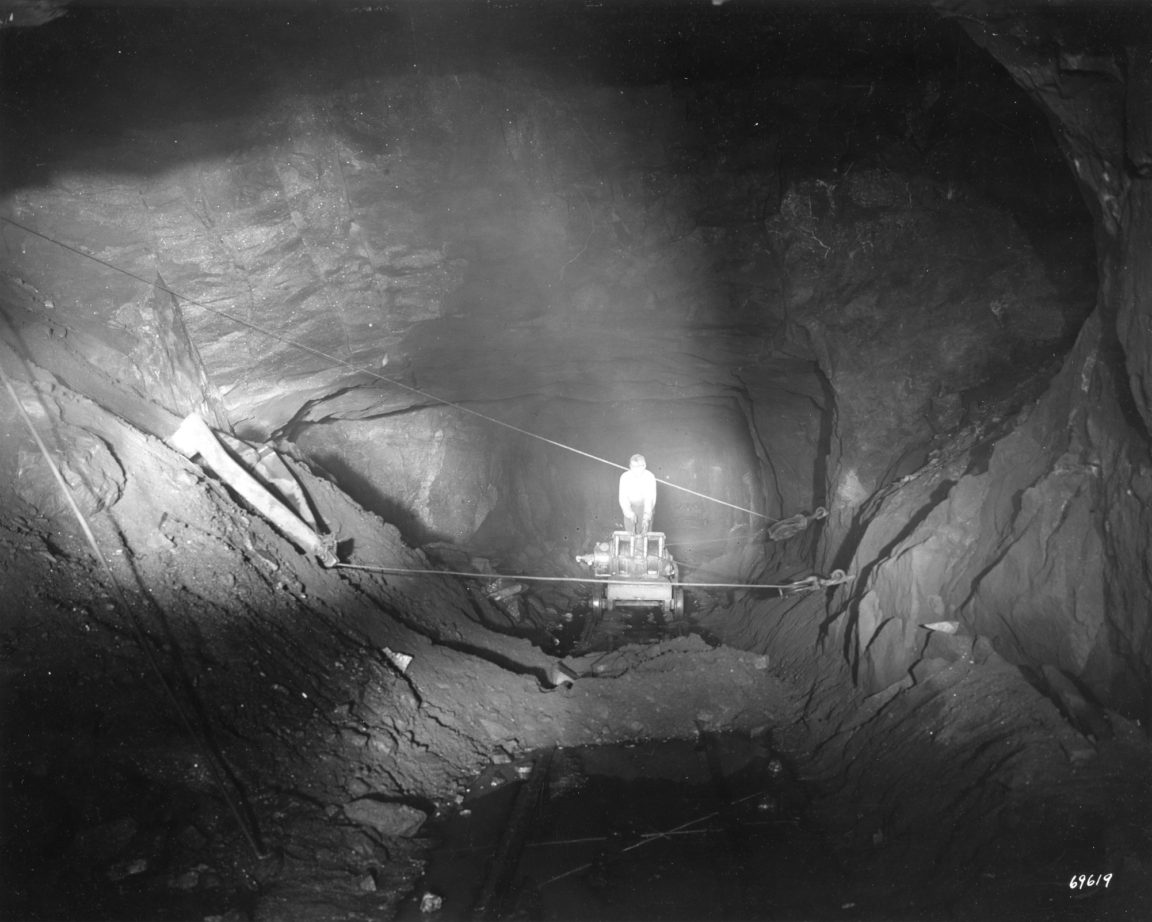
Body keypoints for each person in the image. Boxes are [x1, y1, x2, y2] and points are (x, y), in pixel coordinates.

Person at [618, 453, 657, 535]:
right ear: (629, 466)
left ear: (644, 466)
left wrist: (646, 517)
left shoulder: (650, 477)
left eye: (639, 467)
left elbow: (650, 498)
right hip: (631, 508)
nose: (636, 470)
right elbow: (623, 499)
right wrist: (629, 513)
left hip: (645, 508)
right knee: (630, 537)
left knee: (646, 536)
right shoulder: (624, 477)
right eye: (633, 467)